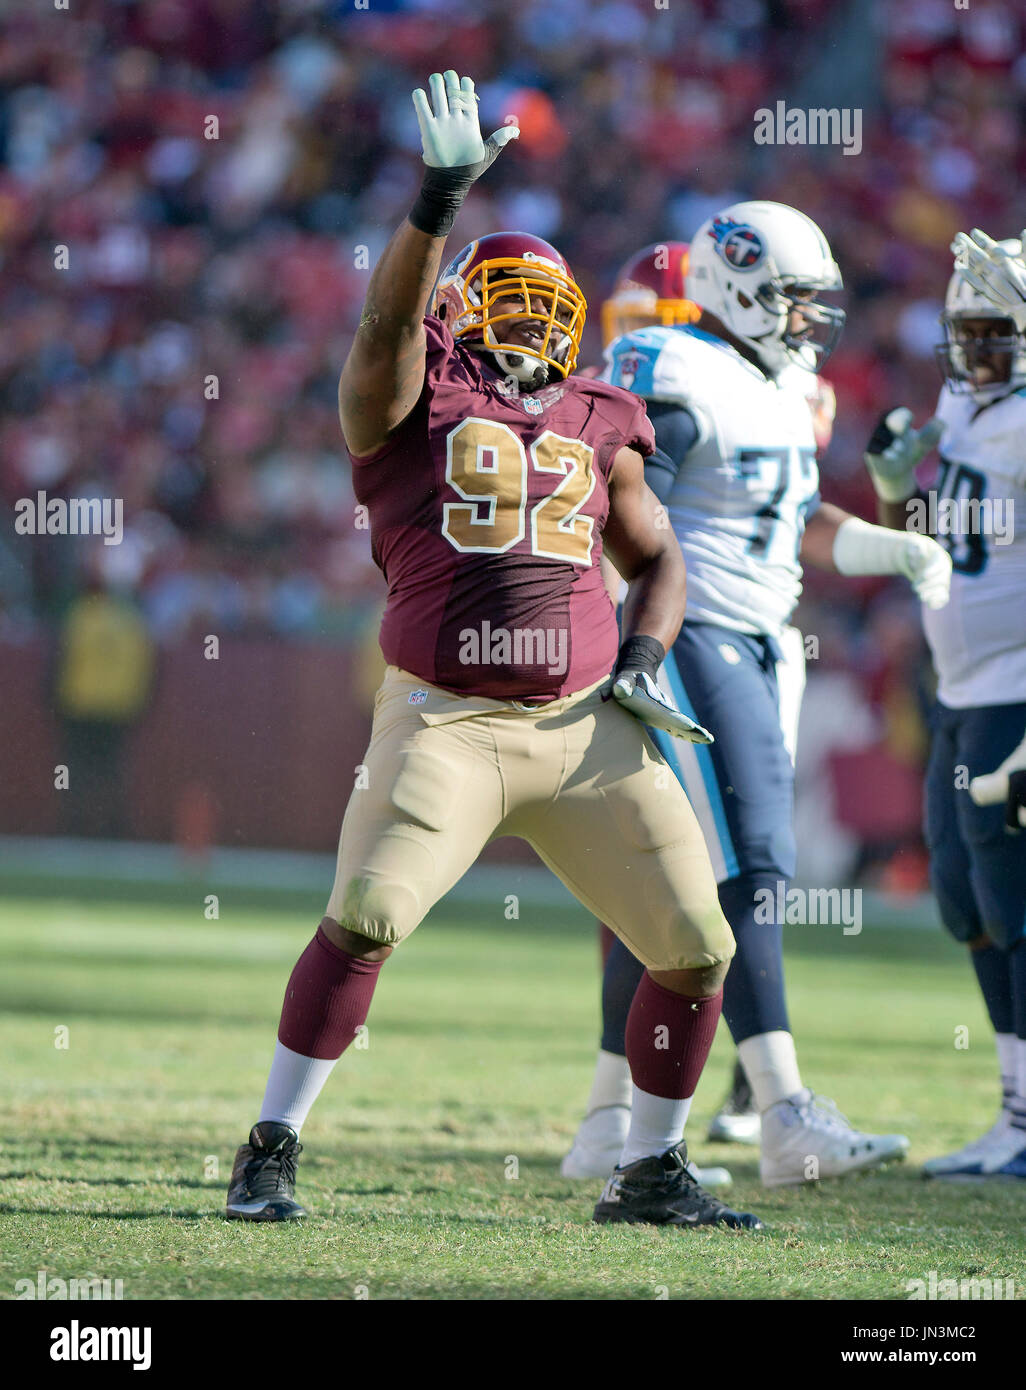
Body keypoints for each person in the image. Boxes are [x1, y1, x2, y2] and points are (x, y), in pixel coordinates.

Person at [224, 71, 763, 1230]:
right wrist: (436, 202)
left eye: (545, 301)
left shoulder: (600, 414)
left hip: (583, 725)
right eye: (504, 297)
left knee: (698, 945)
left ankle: (651, 1168)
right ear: (463, 305)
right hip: (446, 716)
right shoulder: (408, 392)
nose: (530, 319)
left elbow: (661, 558)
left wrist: (644, 656)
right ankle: (270, 1144)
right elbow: (382, 328)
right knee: (365, 913)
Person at [563, 205, 952, 1188]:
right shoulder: (679, 367)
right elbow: (622, 496)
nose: (807, 319)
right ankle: (783, 1111)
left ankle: (610, 1122)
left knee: (676, 886)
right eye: (789, 298)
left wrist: (888, 543)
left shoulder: (777, 386)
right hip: (696, 636)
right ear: (734, 286)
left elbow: (789, 525)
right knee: (755, 867)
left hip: (761, 638)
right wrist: (632, 634)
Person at [863, 227, 1026, 1179]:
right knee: (968, 900)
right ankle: (1013, 1112)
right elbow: (939, 539)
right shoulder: (965, 405)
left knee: (1017, 901)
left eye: (996, 336)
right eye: (966, 335)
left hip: (1015, 695)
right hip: (958, 693)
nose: (976, 356)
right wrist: (896, 493)